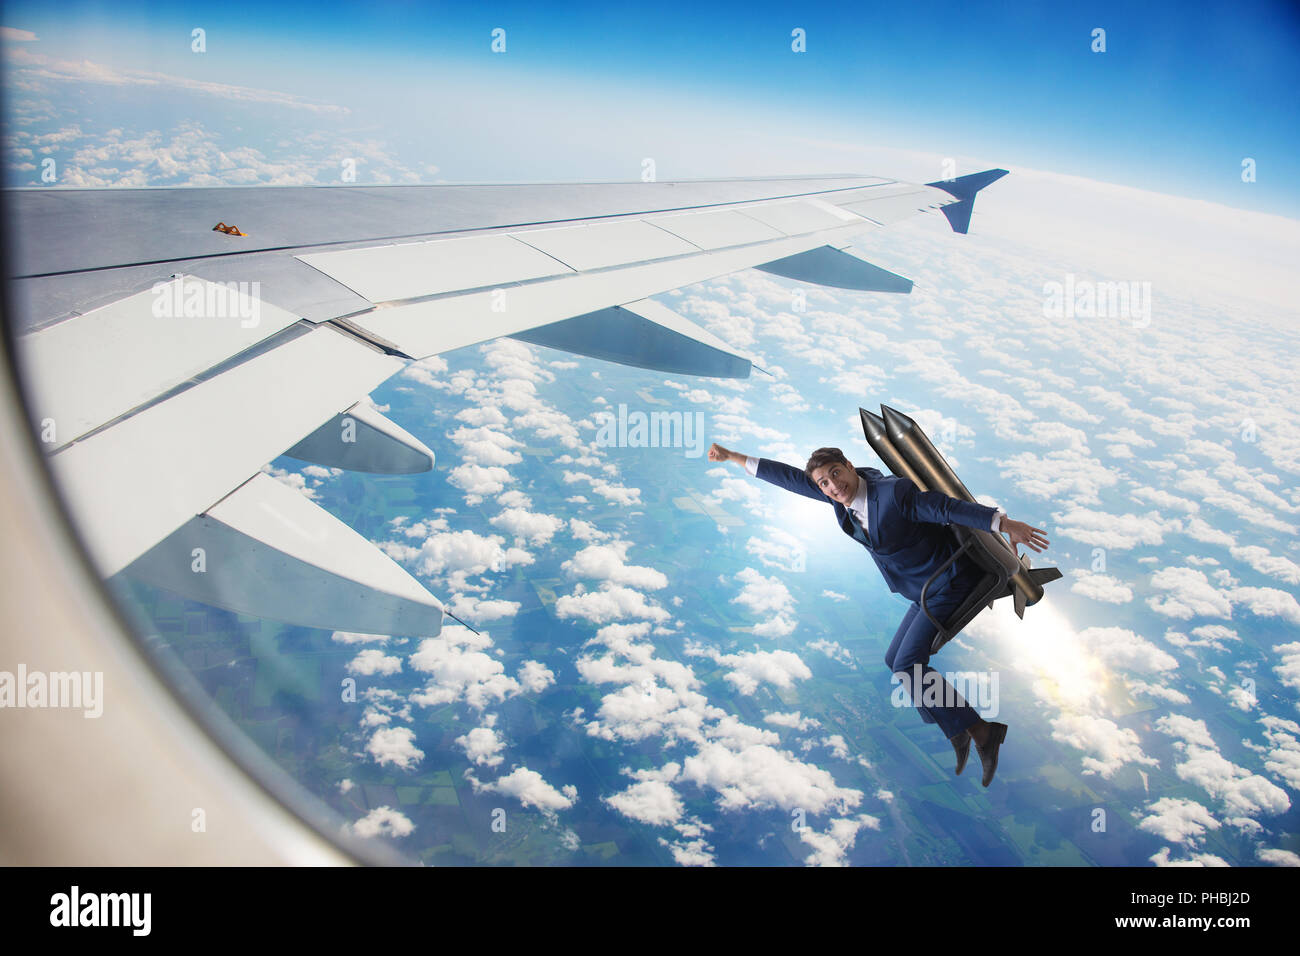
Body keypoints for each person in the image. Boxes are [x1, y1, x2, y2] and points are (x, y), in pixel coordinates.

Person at [708, 442, 1049, 787]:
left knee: (908, 664)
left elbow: (944, 507)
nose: (832, 486)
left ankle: (981, 732)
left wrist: (1002, 523)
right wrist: (734, 457)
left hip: (950, 581)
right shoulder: (839, 498)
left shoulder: (893, 494)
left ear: (850, 466)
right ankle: (959, 728)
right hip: (922, 588)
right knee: (893, 661)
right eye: (824, 483)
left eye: (835, 474)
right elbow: (792, 479)